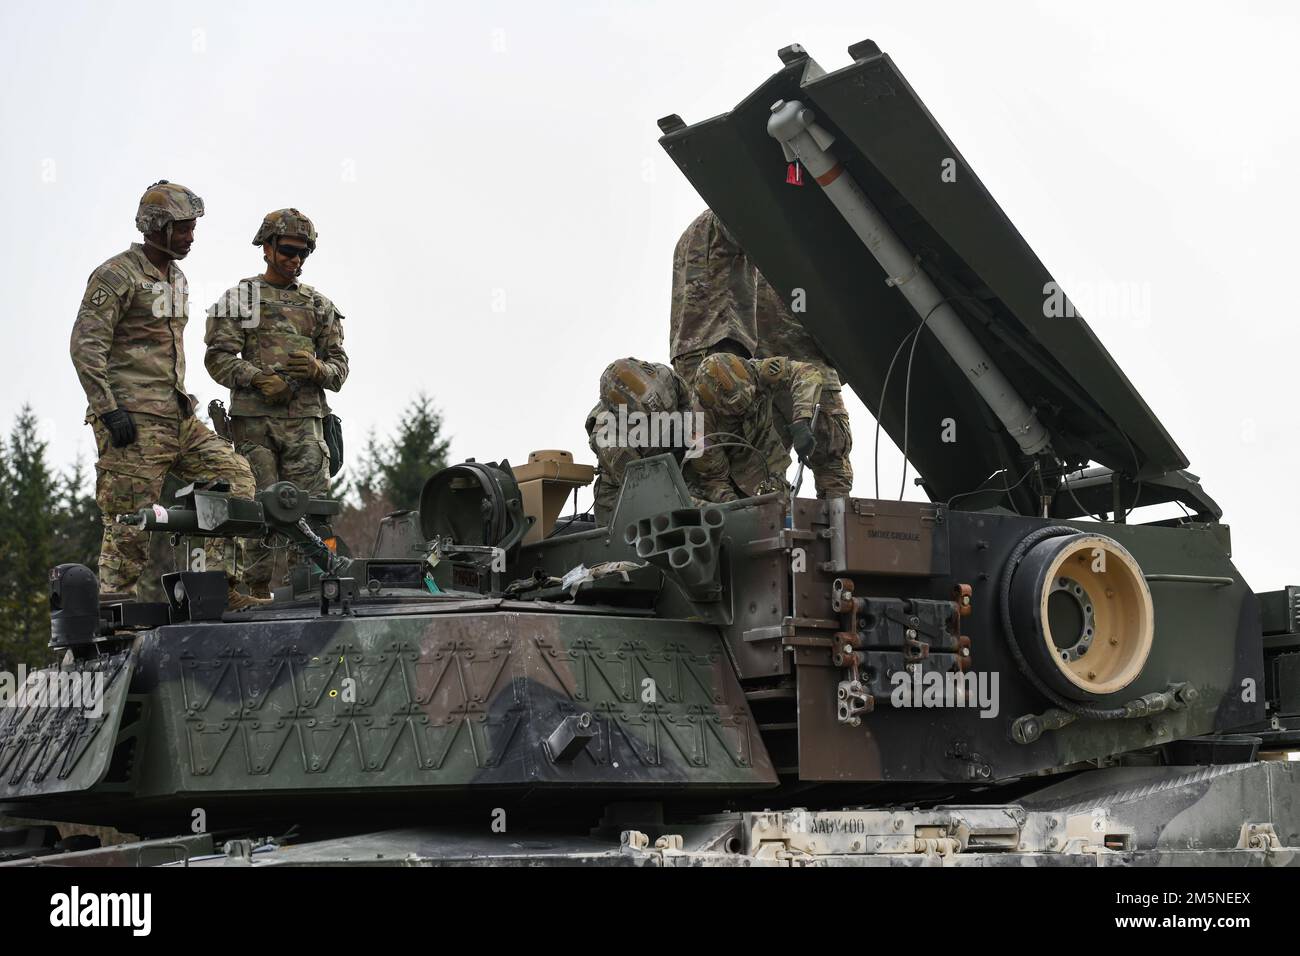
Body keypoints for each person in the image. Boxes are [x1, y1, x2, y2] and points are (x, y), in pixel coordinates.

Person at [70, 180, 264, 608]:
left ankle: (218, 589)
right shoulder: (116, 274)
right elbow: (86, 346)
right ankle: (115, 615)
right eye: (183, 228)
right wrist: (108, 409)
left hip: (177, 417)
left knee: (235, 479)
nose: (191, 237)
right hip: (133, 422)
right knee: (129, 522)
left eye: (193, 228)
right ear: (156, 227)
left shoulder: (176, 277)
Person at [204, 208, 348, 597]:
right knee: (258, 513)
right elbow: (217, 358)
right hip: (256, 427)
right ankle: (255, 595)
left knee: (313, 514)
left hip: (305, 428)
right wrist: (258, 379)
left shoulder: (319, 306)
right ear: (266, 247)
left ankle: (313, 591)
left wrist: (318, 370)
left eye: (303, 253)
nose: (295, 260)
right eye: (287, 250)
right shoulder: (240, 299)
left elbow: (340, 369)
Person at [754, 273, 853, 498]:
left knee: (766, 474)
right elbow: (837, 325)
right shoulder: (806, 264)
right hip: (814, 379)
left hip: (764, 381)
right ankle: (838, 530)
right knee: (832, 466)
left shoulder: (751, 266)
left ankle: (769, 528)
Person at [690, 353, 824, 502]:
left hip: (767, 466)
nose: (743, 411)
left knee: (780, 511)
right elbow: (713, 481)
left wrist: (801, 420)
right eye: (733, 409)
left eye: (743, 402)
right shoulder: (700, 424)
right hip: (729, 480)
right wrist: (736, 508)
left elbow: (807, 372)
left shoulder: (759, 371)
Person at [585, 358, 699, 525]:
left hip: (671, 462)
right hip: (627, 501)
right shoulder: (609, 439)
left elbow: (689, 408)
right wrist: (706, 506)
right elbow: (650, 492)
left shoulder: (665, 376)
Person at [668, 210, 758, 387]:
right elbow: (763, 239)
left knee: (701, 413)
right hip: (719, 342)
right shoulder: (722, 218)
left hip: (686, 353)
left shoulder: (688, 235)